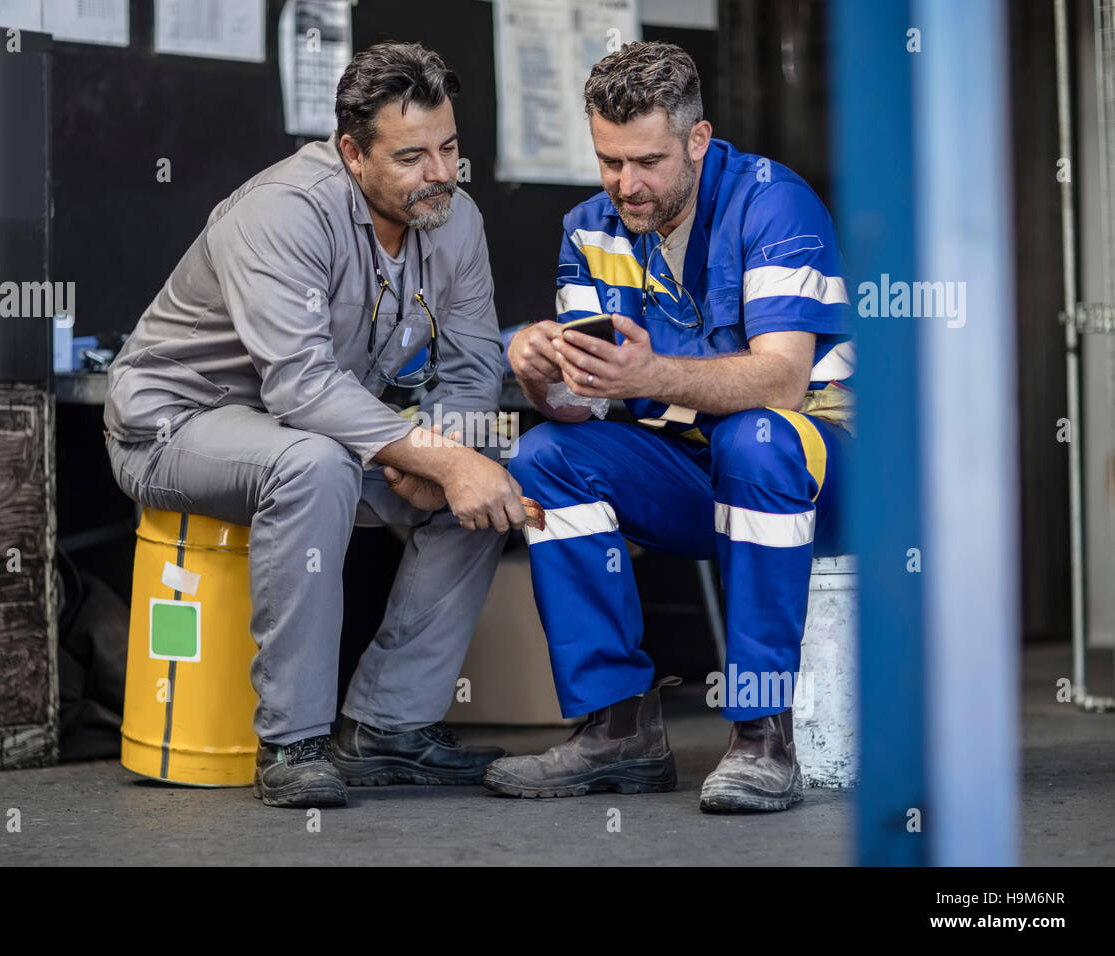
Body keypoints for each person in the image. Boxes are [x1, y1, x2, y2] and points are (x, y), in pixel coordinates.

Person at [103, 41, 529, 809]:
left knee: (490, 482)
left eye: (449, 147)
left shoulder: (452, 218)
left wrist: (447, 454)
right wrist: (430, 452)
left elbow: (472, 368)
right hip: (175, 425)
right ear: (351, 153)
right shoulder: (282, 212)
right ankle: (291, 742)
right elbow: (299, 384)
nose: (440, 173)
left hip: (321, 430)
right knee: (315, 466)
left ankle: (388, 727)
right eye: (411, 156)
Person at [487, 40, 854, 812]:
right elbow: (582, 405)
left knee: (756, 438)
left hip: (823, 474)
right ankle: (618, 726)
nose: (627, 184)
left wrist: (651, 376)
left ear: (697, 139)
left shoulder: (773, 201)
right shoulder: (590, 230)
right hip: (697, 474)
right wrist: (536, 370)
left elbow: (783, 380)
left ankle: (762, 738)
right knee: (546, 454)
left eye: (647, 160)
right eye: (609, 161)